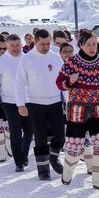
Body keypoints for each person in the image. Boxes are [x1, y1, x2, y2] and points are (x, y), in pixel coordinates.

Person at [56, 29, 99, 189]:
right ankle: (67, 174)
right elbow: (59, 82)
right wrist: (69, 81)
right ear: (81, 45)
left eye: (94, 44)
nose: (92, 47)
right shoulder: (72, 62)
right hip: (77, 109)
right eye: (88, 44)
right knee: (74, 146)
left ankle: (97, 180)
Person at [14, 29, 66, 180]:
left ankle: (53, 157)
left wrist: (68, 101)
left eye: (48, 43)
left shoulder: (56, 58)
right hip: (35, 104)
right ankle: (43, 170)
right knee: (41, 138)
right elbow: (19, 83)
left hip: (55, 102)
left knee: (60, 136)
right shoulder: (27, 59)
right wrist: (20, 104)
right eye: (42, 44)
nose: (46, 47)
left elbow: (64, 82)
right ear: (35, 42)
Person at [0, 34, 33, 172]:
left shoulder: (27, 58)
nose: (15, 48)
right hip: (9, 101)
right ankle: (19, 162)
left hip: (27, 100)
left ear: (21, 45)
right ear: (7, 46)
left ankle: (24, 154)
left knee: (30, 130)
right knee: (15, 131)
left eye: (18, 45)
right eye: (12, 46)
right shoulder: (1, 61)